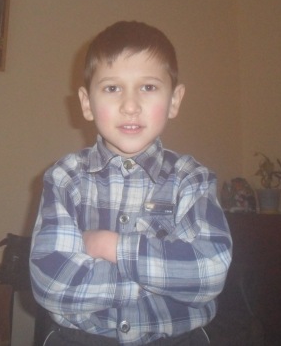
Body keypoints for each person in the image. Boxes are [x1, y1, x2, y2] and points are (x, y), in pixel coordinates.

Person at [30, 21, 232, 346]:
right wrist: (160, 281)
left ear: (175, 99)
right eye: (112, 88)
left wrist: (110, 247)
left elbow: (208, 272)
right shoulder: (65, 177)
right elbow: (52, 282)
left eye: (148, 87)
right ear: (86, 102)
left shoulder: (192, 179)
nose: (130, 105)